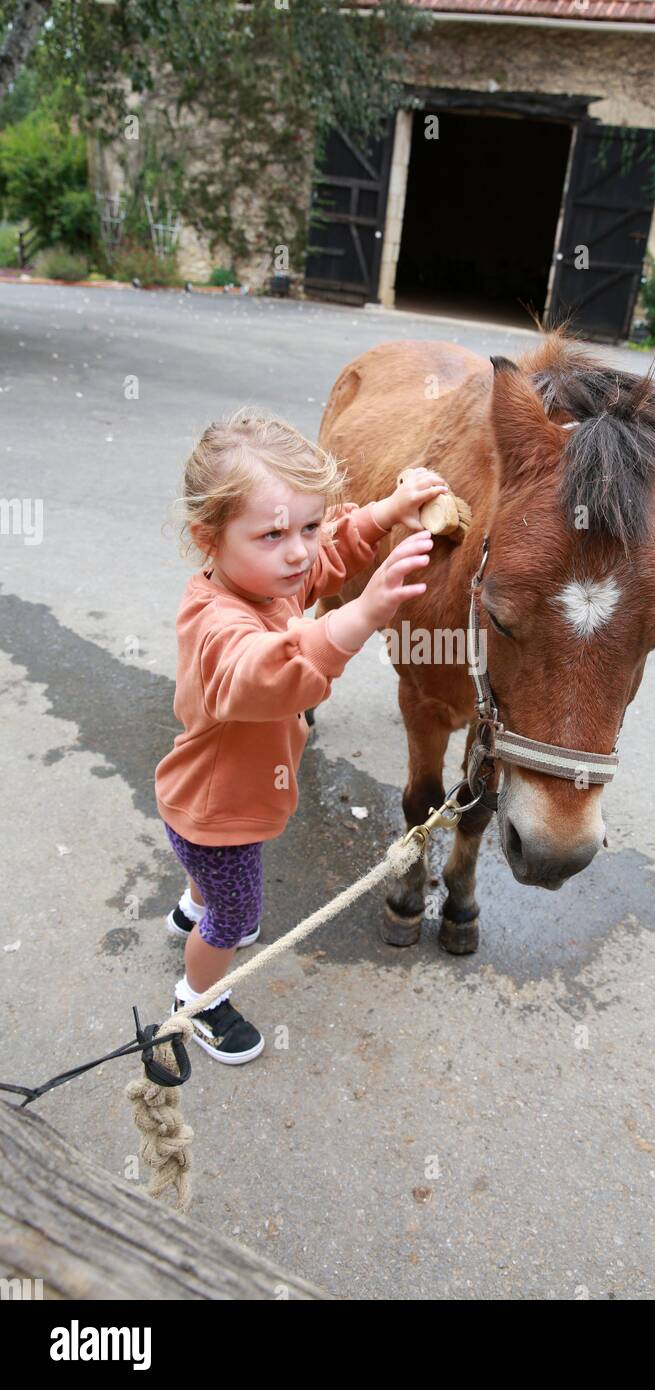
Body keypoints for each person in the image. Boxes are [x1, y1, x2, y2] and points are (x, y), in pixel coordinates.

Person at [155, 406, 447, 1064]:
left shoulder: (268, 579)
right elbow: (266, 675)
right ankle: (196, 1001)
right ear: (208, 538)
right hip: (218, 814)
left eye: (310, 525)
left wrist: (382, 512)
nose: (299, 551)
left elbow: (330, 556)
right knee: (235, 915)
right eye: (273, 534)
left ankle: (191, 902)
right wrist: (363, 616)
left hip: (206, 799)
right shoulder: (218, 623)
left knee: (211, 884)